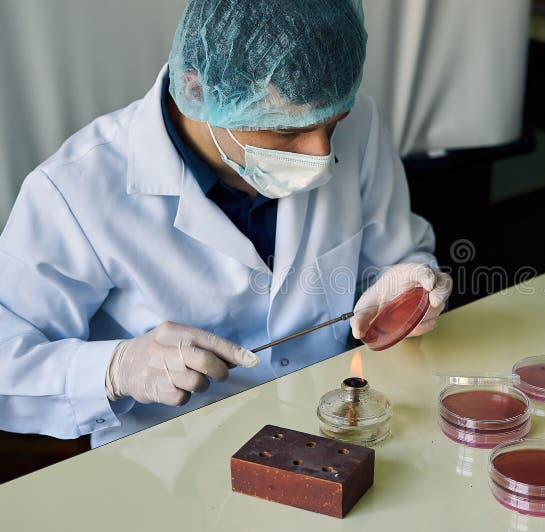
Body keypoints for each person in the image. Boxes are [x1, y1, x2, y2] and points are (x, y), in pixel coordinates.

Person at [0, 0, 451, 447]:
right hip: (170, 463)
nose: (320, 155)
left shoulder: (361, 125)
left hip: (327, 432)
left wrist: (407, 287)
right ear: (198, 90)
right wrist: (115, 369)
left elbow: (392, 258)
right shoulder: (76, 189)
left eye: (332, 124)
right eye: (285, 132)